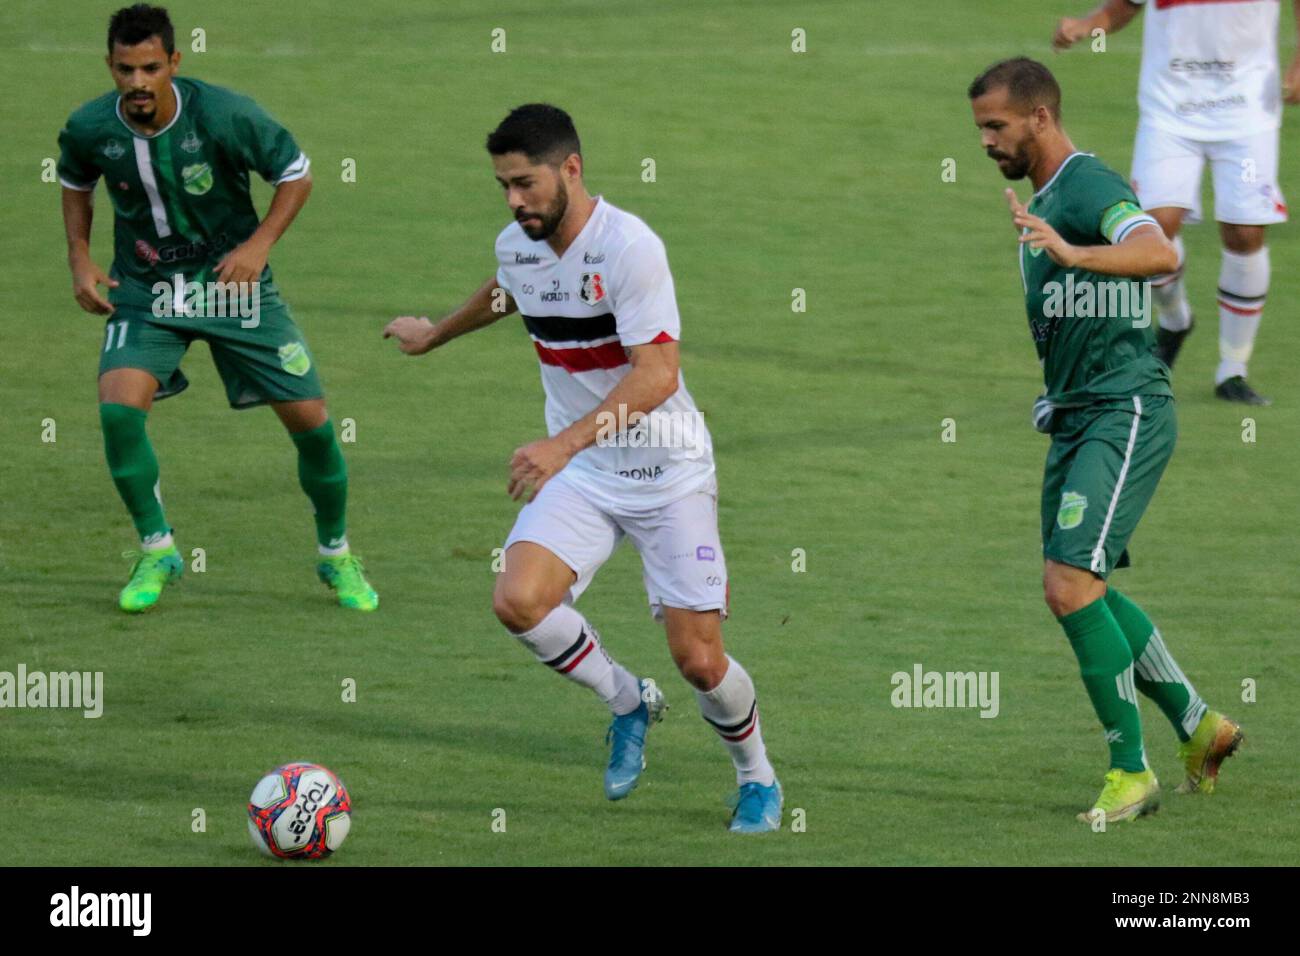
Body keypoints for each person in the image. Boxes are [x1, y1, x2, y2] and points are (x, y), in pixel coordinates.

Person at [384, 104, 781, 832]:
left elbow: (657, 374)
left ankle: (757, 776)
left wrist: (561, 445)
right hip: (587, 474)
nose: (514, 201)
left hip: (669, 473)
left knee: (699, 660)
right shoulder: (520, 242)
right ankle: (628, 701)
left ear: (571, 169)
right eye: (503, 185)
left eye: (526, 183)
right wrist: (435, 333)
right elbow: (512, 288)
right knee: (519, 601)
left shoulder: (631, 248)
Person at [969, 57, 1242, 823]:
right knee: (1080, 587)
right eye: (980, 128)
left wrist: (1073, 250)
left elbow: (1160, 252)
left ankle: (1132, 774)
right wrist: (1054, 393)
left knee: (1070, 585)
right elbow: (1080, 314)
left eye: (997, 125)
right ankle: (1200, 726)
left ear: (1041, 118)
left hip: (1126, 412)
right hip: (1081, 414)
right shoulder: (1045, 203)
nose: (987, 141)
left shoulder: (1086, 188)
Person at [58, 4, 376, 612]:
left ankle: (337, 555)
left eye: (151, 67)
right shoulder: (89, 126)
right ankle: (157, 550)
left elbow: (296, 174)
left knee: (310, 422)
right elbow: (75, 180)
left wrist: (257, 247)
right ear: (110, 66)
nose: (138, 82)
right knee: (119, 412)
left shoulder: (225, 115)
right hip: (147, 291)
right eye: (125, 69)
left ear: (174, 63)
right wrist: (79, 257)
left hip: (235, 287)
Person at [1054, 0, 1300, 405]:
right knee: (1152, 229)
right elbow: (1125, 7)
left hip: (1249, 111)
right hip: (1169, 111)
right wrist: (1086, 27)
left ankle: (1232, 370)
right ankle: (1175, 319)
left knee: (1244, 232)